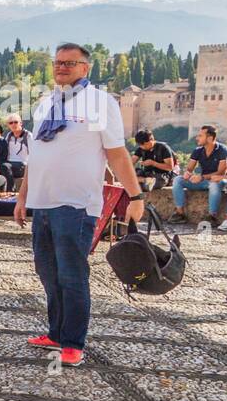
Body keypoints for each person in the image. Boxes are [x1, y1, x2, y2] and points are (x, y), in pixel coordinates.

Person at [13, 42, 145, 367]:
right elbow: (36, 154)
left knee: (72, 274)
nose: (62, 68)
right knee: (47, 271)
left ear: (86, 68)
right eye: (58, 62)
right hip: (43, 203)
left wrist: (137, 195)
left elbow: (116, 152)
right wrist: (22, 196)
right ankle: (56, 333)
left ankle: (73, 342)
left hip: (76, 203)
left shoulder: (101, 103)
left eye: (70, 63)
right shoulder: (47, 103)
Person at [169, 125, 227, 226]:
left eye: (200, 136)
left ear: (210, 138)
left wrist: (201, 177)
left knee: (214, 184)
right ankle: (180, 214)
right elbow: (189, 168)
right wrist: (187, 174)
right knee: (178, 180)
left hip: (218, 181)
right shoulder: (198, 150)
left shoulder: (223, 150)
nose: (197, 138)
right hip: (203, 181)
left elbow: (221, 173)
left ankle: (212, 217)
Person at [1, 113, 30, 190]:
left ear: (21, 123)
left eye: (15, 122)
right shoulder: (9, 136)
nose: (13, 124)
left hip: (22, 165)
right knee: (1, 165)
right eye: (11, 123)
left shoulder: (28, 135)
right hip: (10, 164)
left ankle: (11, 190)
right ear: (8, 125)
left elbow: (34, 153)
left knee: (5, 166)